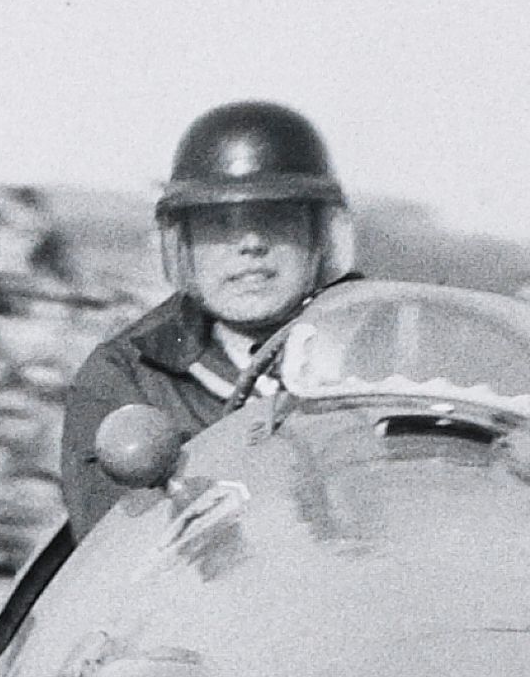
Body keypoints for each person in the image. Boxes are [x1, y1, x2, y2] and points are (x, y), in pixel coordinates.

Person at [59, 101, 357, 536]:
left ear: (318, 238)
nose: (251, 243)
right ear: (186, 246)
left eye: (276, 218)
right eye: (221, 223)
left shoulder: (387, 346)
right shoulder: (129, 376)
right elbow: (111, 546)